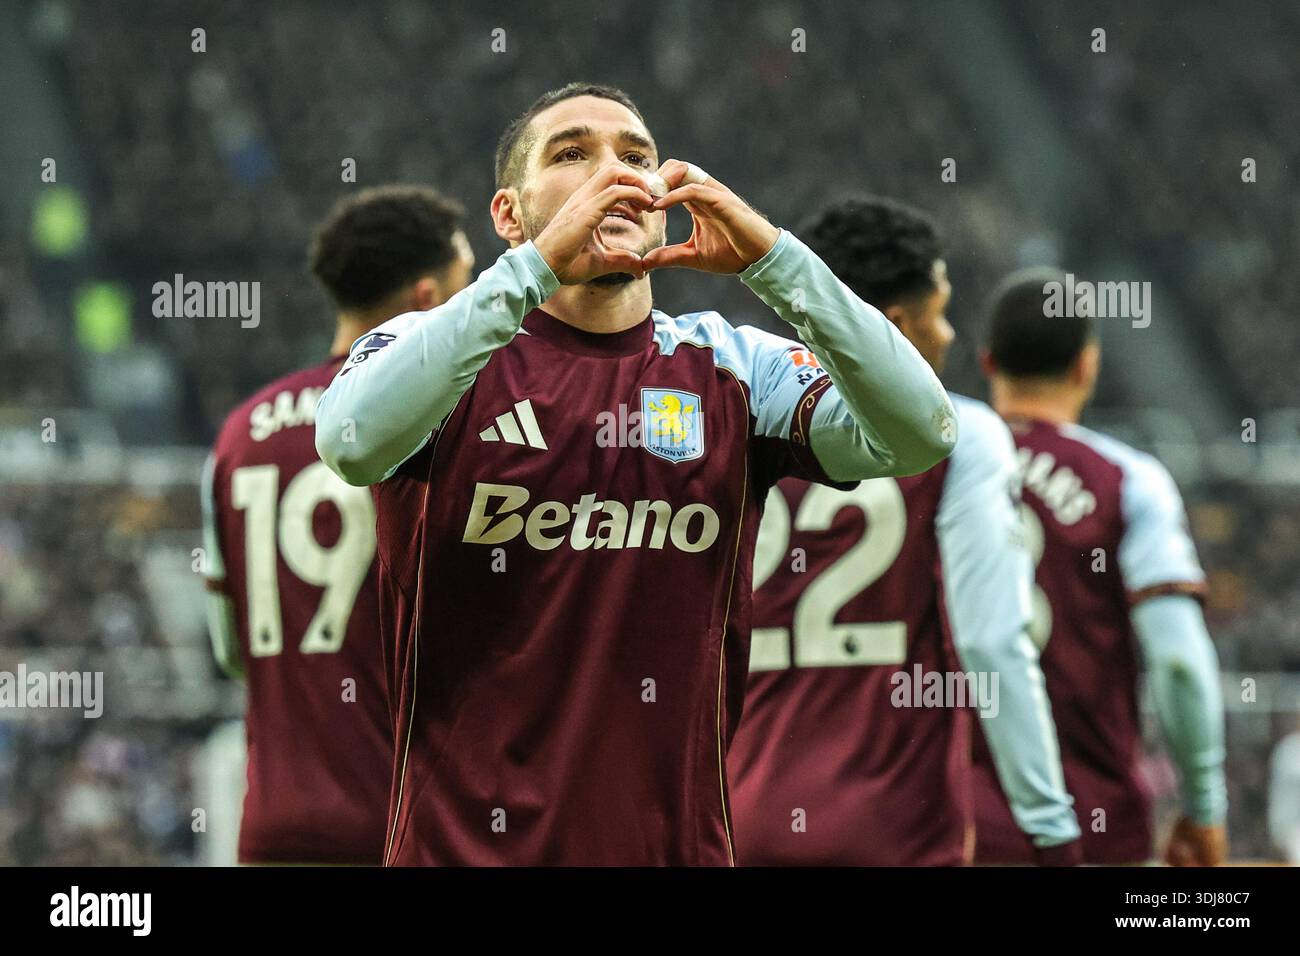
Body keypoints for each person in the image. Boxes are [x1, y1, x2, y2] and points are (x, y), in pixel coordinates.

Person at [315, 83, 955, 865]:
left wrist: (775, 262)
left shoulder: (732, 366)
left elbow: (922, 431)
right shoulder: (437, 351)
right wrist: (535, 270)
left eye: (636, 156)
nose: (612, 173)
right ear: (509, 215)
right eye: (572, 154)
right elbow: (350, 444)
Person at [728, 196, 1081, 865]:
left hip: (738, 824)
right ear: (892, 326)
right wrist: (1050, 827)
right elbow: (991, 640)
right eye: (939, 311)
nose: (948, 335)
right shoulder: (964, 435)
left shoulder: (738, 422)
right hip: (893, 833)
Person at [202, 185, 473, 863]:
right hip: (405, 827)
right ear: (428, 299)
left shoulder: (238, 437)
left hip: (275, 827)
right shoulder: (437, 429)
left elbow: (231, 650)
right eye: (469, 284)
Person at [972, 268, 1228, 865]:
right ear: (1087, 365)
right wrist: (1203, 806)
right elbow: (1180, 663)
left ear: (987, 363)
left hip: (945, 825)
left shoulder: (932, 473)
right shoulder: (1127, 480)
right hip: (1095, 826)